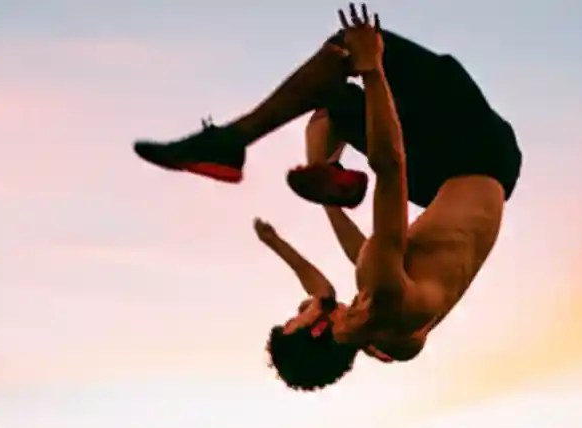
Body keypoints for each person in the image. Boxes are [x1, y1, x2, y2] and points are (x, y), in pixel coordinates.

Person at [134, 4, 522, 391]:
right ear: (319, 329)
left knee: (332, 105)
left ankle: (322, 167)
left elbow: (338, 275)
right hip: (481, 151)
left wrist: (293, 232)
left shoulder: (390, 334)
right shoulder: (381, 294)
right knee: (347, 50)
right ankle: (233, 140)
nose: (302, 306)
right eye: (298, 316)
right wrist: (372, 67)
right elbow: (389, 168)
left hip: (442, 180)